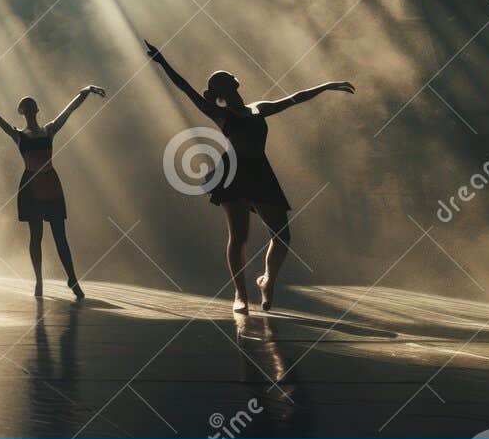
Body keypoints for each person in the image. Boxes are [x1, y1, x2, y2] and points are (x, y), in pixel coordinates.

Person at [146, 41, 353, 312]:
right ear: (221, 92)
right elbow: (185, 88)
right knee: (239, 237)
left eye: (232, 83)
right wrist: (163, 62)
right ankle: (240, 295)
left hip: (260, 172)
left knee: (282, 237)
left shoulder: (258, 108)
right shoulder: (219, 114)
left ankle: (267, 282)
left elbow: (294, 98)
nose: (233, 88)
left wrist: (325, 86)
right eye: (226, 85)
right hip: (233, 174)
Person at [0, 85, 105, 300]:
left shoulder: (49, 129)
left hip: (50, 183)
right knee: (36, 236)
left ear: (37, 110)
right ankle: (39, 280)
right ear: (22, 112)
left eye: (31, 105)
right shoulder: (19, 135)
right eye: (25, 106)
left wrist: (86, 90)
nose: (29, 108)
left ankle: (72, 279)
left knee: (60, 236)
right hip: (31, 185)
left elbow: (70, 109)